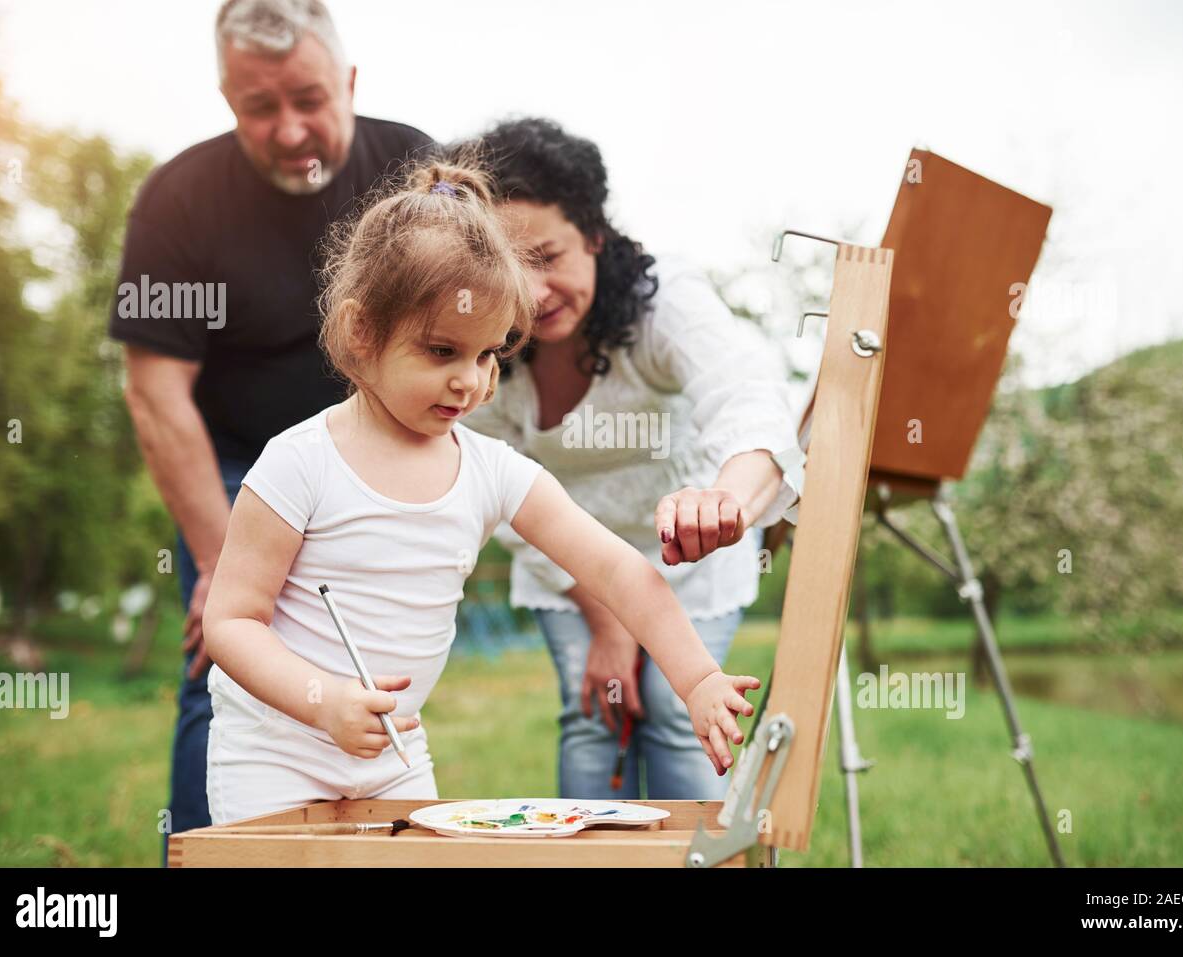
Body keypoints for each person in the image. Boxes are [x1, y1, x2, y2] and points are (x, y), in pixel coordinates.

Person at [199, 157, 761, 824]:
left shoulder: (493, 469)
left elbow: (617, 569)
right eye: (442, 351)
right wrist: (325, 700)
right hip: (272, 757)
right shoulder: (298, 464)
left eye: (489, 353)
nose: (470, 380)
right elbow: (231, 620)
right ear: (359, 331)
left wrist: (696, 677)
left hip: (394, 757)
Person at [106, 0, 433, 850]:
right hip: (239, 471)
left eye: (309, 99)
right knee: (223, 668)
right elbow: (155, 393)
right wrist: (219, 558)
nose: (290, 129)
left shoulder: (413, 168)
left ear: (350, 83)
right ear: (227, 100)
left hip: (374, 460)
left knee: (371, 683)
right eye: (260, 106)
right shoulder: (177, 200)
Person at [461, 118, 799, 801]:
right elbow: (494, 492)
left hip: (690, 549)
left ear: (593, 234)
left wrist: (725, 502)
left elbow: (747, 399)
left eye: (549, 255)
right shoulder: (478, 340)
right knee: (596, 714)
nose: (531, 291)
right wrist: (608, 622)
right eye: (507, 263)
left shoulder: (662, 300)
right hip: (568, 562)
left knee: (677, 710)